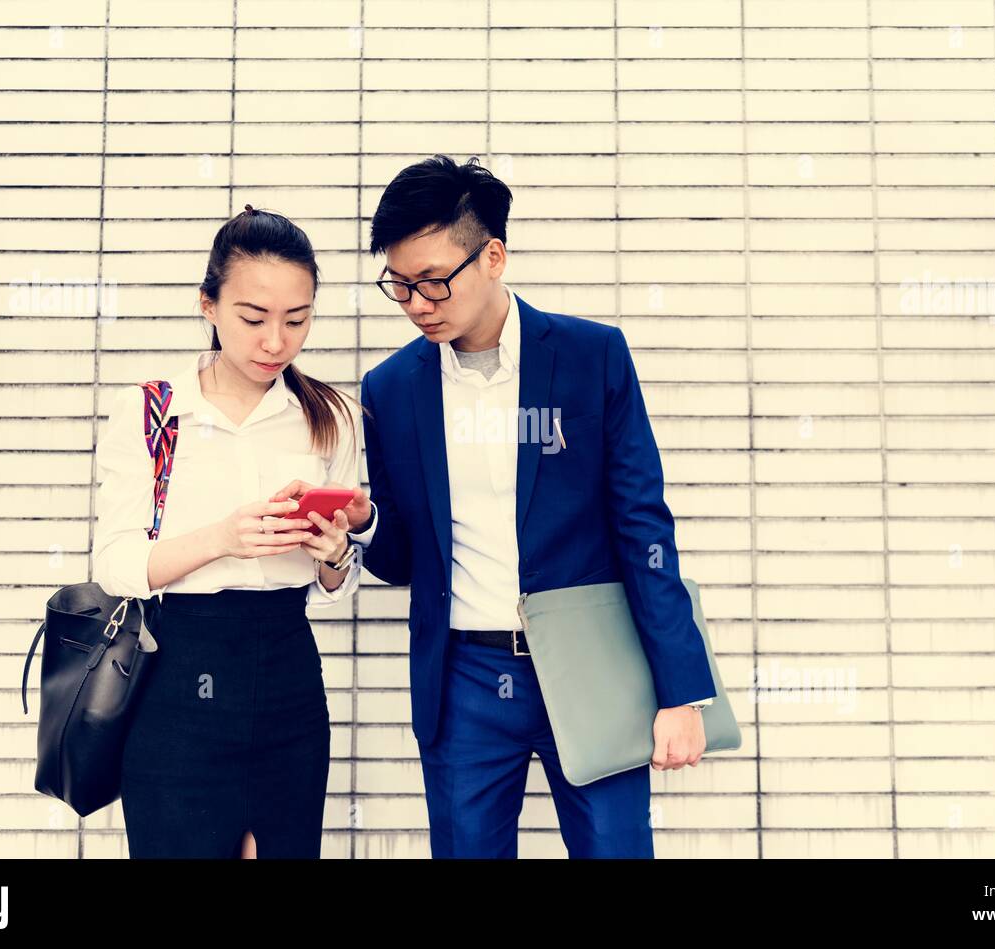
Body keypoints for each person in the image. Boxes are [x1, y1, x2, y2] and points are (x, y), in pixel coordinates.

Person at [273, 156, 716, 858]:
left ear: (494, 256)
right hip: (467, 678)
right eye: (400, 284)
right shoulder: (391, 388)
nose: (418, 302)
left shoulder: (590, 357)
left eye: (433, 279)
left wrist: (682, 690)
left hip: (592, 665)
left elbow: (643, 524)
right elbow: (398, 560)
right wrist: (360, 526)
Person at [91, 205, 365, 859]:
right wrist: (223, 537)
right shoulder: (152, 410)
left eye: (297, 320)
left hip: (288, 671)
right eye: (253, 318)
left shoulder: (331, 415)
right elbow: (117, 562)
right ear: (208, 305)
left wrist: (332, 555)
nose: (276, 340)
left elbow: (338, 582)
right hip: (178, 672)